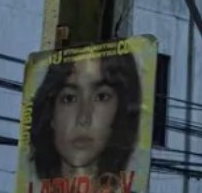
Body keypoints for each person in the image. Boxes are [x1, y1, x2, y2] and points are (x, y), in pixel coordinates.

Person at [29, 53, 145, 182]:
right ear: (50, 114)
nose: (83, 118)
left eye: (101, 97)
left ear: (120, 109)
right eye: (69, 98)